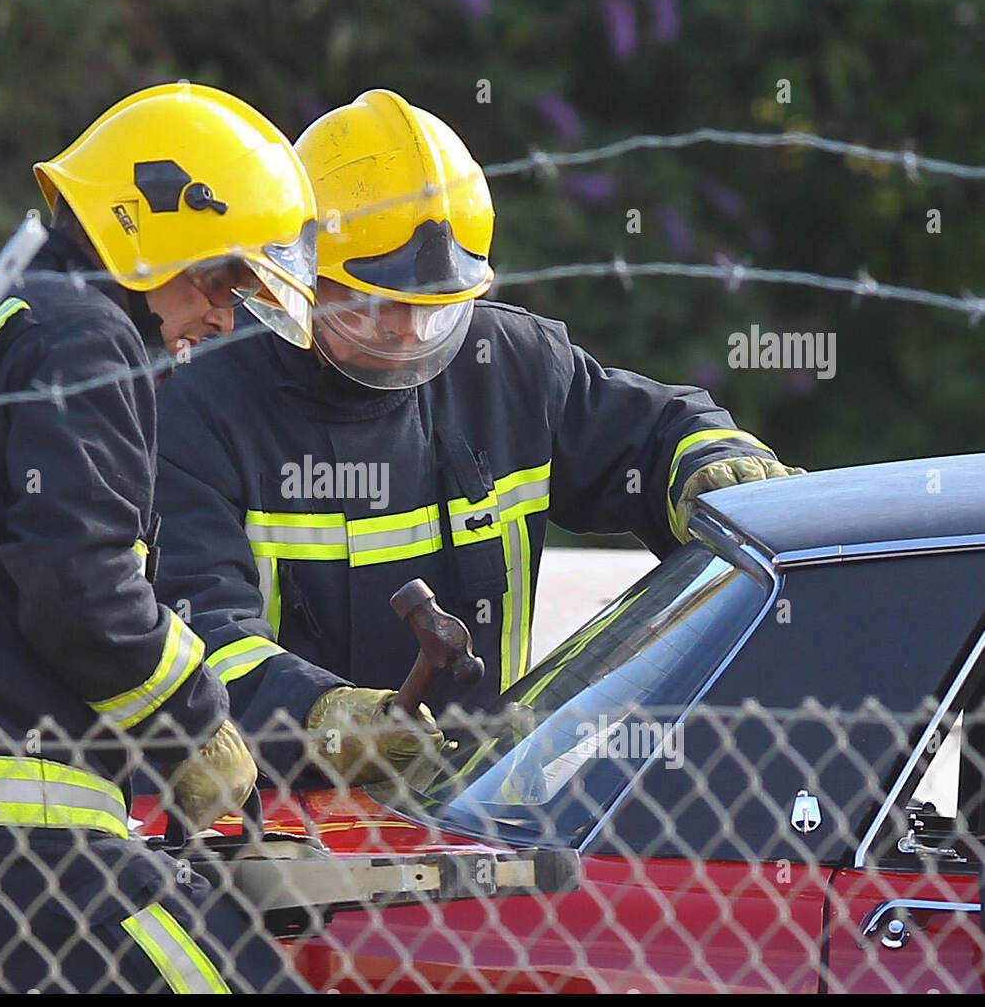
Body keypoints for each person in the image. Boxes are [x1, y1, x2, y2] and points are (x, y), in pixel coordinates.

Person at [152, 89, 803, 789]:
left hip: (482, 826)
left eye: (435, 309)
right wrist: (323, 718)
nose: (408, 332)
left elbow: (650, 435)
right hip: (284, 831)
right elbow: (196, 636)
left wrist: (711, 460)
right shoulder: (201, 406)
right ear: (300, 279)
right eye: (374, 306)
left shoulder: (509, 367)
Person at [0, 83, 318, 993]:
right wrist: (197, 724)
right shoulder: (81, 335)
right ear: (157, 234)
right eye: (222, 280)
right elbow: (79, 587)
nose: (222, 318)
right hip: (2, 837)